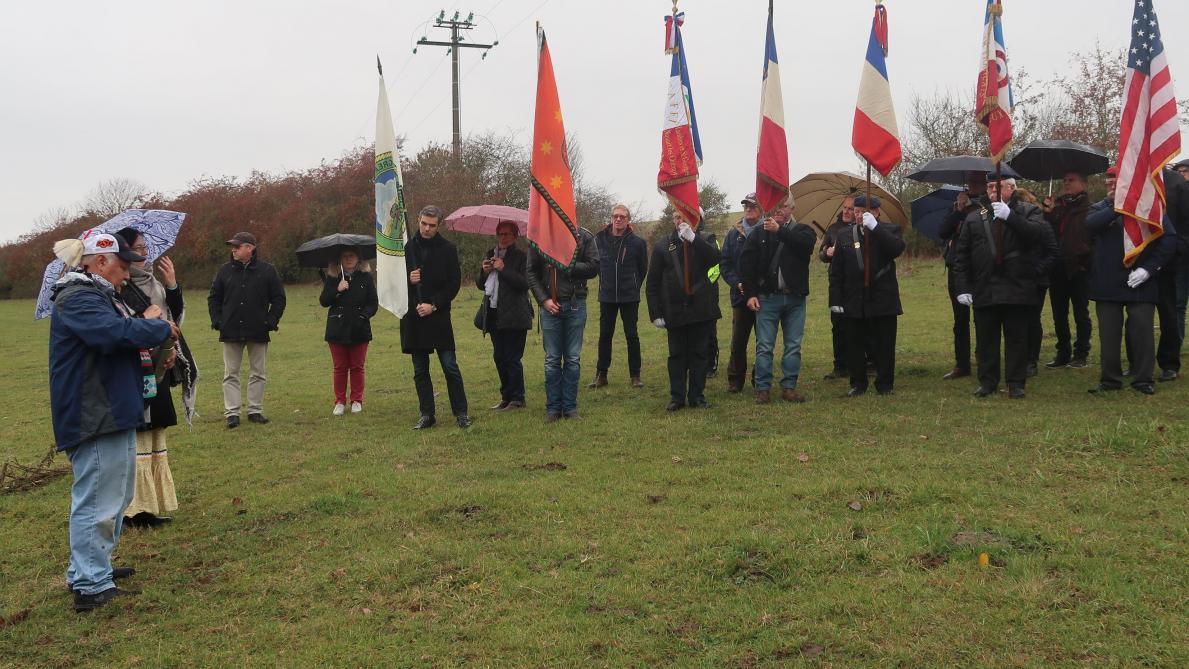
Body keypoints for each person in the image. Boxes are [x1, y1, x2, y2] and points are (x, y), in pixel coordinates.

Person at [49, 231, 176, 611]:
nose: (126, 274)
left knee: (114, 495)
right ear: (100, 262)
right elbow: (111, 335)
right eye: (122, 266)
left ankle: (90, 568)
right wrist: (157, 327)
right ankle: (90, 584)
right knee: (98, 499)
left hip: (109, 409)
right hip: (94, 412)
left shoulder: (98, 296)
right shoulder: (78, 297)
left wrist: (154, 348)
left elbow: (118, 341)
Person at [113, 228, 195, 530]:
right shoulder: (118, 287)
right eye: (137, 248)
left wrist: (172, 285)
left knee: (154, 433)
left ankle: (150, 506)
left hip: (158, 366)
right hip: (135, 369)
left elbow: (173, 317)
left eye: (145, 247)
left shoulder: (153, 281)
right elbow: (123, 327)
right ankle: (132, 511)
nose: (144, 253)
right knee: (138, 437)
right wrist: (147, 322)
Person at [953, 176, 1045, 399]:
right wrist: (963, 287)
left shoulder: (1028, 211)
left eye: (998, 186)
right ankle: (988, 382)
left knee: (1017, 338)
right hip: (985, 285)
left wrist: (1011, 217)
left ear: (1012, 188)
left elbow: (1037, 236)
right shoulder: (975, 216)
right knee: (986, 338)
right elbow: (962, 256)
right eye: (989, 186)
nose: (992, 189)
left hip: (1017, 284)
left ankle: (1016, 383)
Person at [1085, 166, 1176, 395]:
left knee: (1142, 331)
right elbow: (1090, 226)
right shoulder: (1100, 206)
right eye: (1109, 181)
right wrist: (1118, 205)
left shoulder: (1149, 206)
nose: (1112, 184)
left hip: (1140, 279)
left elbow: (1169, 239)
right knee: (1109, 334)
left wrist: (1149, 269)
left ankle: (1143, 379)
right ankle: (1110, 379)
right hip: (1108, 280)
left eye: (1117, 180)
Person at [207, 232, 286, 428]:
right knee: (230, 373)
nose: (233, 250)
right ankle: (232, 413)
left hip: (258, 330)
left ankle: (255, 411)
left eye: (237, 246)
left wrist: (270, 321)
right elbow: (214, 298)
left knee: (258, 372)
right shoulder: (224, 271)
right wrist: (217, 321)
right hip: (230, 330)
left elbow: (279, 299)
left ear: (250, 248)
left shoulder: (267, 270)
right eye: (232, 246)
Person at [402, 206, 471, 429]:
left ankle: (461, 413)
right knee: (420, 370)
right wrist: (408, 279)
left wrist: (433, 305)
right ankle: (426, 414)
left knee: (450, 366)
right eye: (424, 223)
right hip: (414, 317)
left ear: (438, 225)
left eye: (432, 225)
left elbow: (453, 284)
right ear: (418, 220)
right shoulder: (407, 248)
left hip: (438, 317)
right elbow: (393, 284)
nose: (427, 228)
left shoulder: (448, 249)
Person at [829, 194, 905, 397]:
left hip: (883, 296)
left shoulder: (890, 230)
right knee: (854, 343)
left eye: (864, 211)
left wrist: (876, 228)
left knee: (885, 343)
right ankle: (858, 383)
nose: (859, 215)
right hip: (854, 297)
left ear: (876, 212)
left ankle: (885, 384)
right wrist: (835, 299)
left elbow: (897, 249)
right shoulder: (845, 235)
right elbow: (837, 271)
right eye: (857, 211)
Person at [740, 202, 816, 403]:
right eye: (775, 205)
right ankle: (763, 389)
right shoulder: (758, 233)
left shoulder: (803, 230)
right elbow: (746, 266)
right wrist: (750, 294)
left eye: (783, 205)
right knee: (764, 346)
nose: (778, 209)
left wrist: (780, 231)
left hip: (795, 298)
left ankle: (789, 387)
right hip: (767, 298)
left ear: (792, 208)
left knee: (793, 345)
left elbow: (806, 246)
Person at [647, 211, 722, 411]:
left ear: (695, 219)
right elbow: (653, 282)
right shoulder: (663, 245)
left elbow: (715, 260)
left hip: (700, 308)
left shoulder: (707, 240)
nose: (680, 221)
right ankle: (677, 397)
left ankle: (697, 396)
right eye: (677, 217)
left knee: (699, 354)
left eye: (685, 217)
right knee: (677, 355)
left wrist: (694, 239)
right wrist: (655, 313)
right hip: (674, 309)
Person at [526, 220, 599, 422]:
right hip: (550, 305)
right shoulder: (539, 237)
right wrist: (543, 300)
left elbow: (594, 267)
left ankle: (570, 407)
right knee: (552, 359)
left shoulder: (584, 236)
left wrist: (567, 263)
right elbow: (531, 271)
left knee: (573, 358)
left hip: (576, 304)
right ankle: (553, 408)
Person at [475, 220, 533, 411]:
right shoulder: (490, 254)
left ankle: (518, 398)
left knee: (512, 357)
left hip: (516, 314)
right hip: (493, 312)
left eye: (507, 234)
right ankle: (506, 396)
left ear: (515, 236)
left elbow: (525, 284)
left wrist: (503, 269)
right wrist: (484, 272)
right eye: (500, 233)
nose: (503, 237)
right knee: (499, 357)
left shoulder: (521, 256)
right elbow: (480, 284)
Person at [590, 204, 648, 389]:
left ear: (628, 219)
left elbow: (643, 268)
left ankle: (635, 375)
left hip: (629, 296)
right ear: (611, 218)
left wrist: (633, 285)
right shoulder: (599, 240)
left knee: (632, 335)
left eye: (622, 216)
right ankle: (601, 375)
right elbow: (595, 265)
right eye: (615, 216)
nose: (618, 219)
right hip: (607, 296)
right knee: (605, 335)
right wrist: (606, 282)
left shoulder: (638, 243)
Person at [1043, 172, 1093, 369]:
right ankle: (1062, 352)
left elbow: (1092, 238)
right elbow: (1050, 233)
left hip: (1079, 267)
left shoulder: (1089, 208)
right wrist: (1048, 213)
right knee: (1059, 313)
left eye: (1071, 180)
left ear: (1083, 183)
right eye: (1064, 181)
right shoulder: (1059, 207)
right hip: (1058, 267)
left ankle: (1081, 353)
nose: (1066, 184)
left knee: (1081, 313)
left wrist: (1086, 261)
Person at [319, 247, 378, 415]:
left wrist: (363, 316)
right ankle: (339, 401)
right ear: (340, 259)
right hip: (337, 328)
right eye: (345, 256)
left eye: (352, 255)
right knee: (340, 367)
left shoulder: (366, 277)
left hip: (359, 328)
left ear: (358, 258)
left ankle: (357, 400)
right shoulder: (333, 278)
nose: (349, 259)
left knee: (357, 367)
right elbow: (324, 301)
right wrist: (337, 290)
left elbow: (373, 303)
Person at [938, 176, 985, 380]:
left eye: (977, 181)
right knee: (960, 319)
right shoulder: (957, 206)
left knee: (982, 318)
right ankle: (962, 364)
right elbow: (943, 232)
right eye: (971, 181)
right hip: (958, 268)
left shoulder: (988, 206)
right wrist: (958, 210)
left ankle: (984, 360)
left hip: (981, 267)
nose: (973, 185)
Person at [720, 193, 763, 392]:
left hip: (763, 295)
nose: (749, 209)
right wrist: (736, 282)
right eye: (746, 206)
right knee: (738, 341)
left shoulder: (768, 230)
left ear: (761, 209)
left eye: (753, 206)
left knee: (763, 341)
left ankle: (760, 379)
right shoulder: (733, 234)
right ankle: (735, 380)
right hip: (740, 296)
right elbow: (725, 263)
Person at [818, 196, 856, 380]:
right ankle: (840, 366)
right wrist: (827, 253)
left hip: (856, 284)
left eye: (851, 208)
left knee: (858, 325)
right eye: (845, 207)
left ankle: (862, 364)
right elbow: (821, 254)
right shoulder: (833, 229)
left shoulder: (862, 229)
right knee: (838, 326)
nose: (847, 211)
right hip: (837, 284)